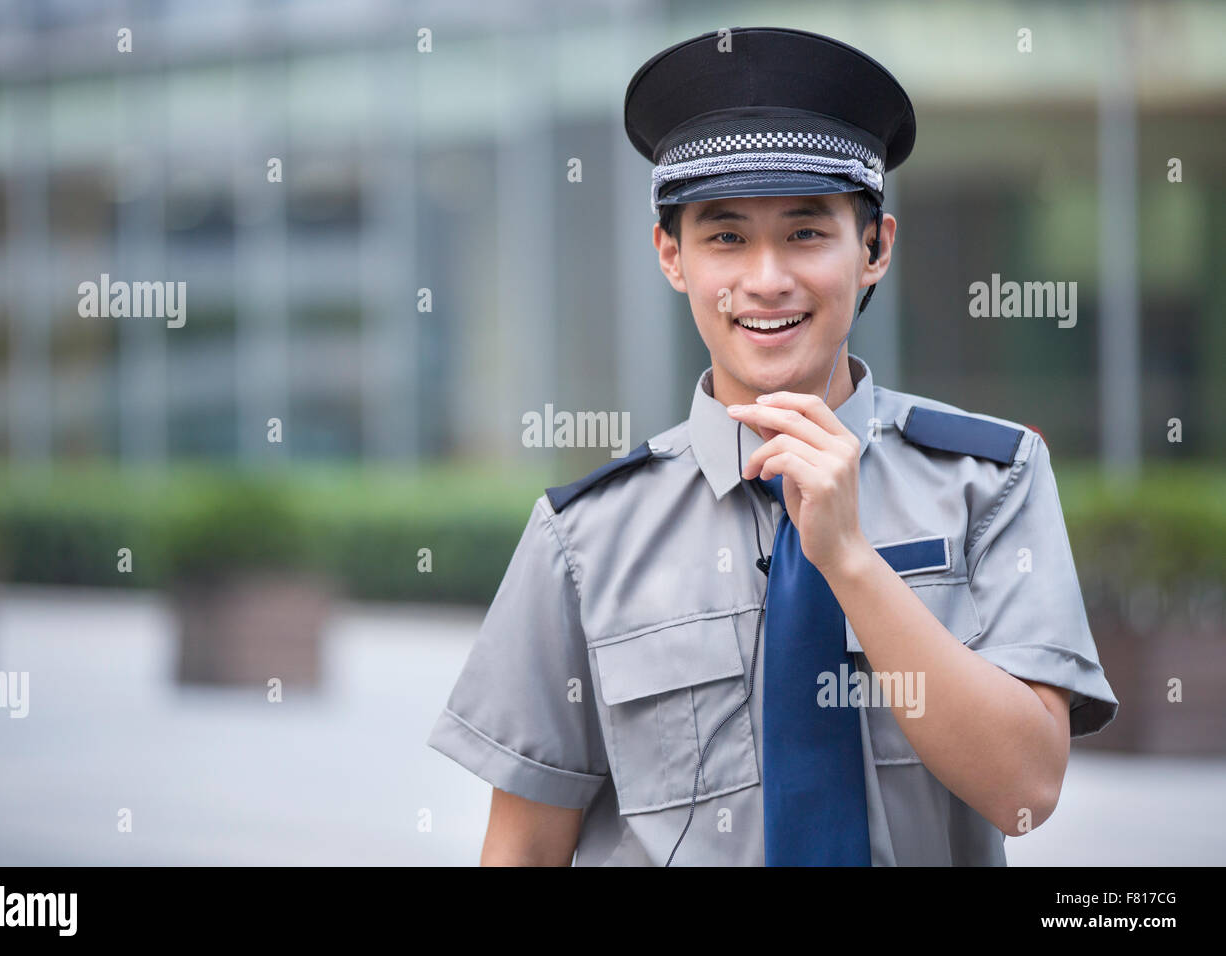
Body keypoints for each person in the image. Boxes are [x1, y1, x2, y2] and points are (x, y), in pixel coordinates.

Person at [425, 26, 1118, 866]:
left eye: (805, 233)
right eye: (724, 237)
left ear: (874, 249)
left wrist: (853, 562)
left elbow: (1026, 792)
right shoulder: (582, 539)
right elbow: (524, 850)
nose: (765, 279)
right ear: (670, 255)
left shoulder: (991, 481)